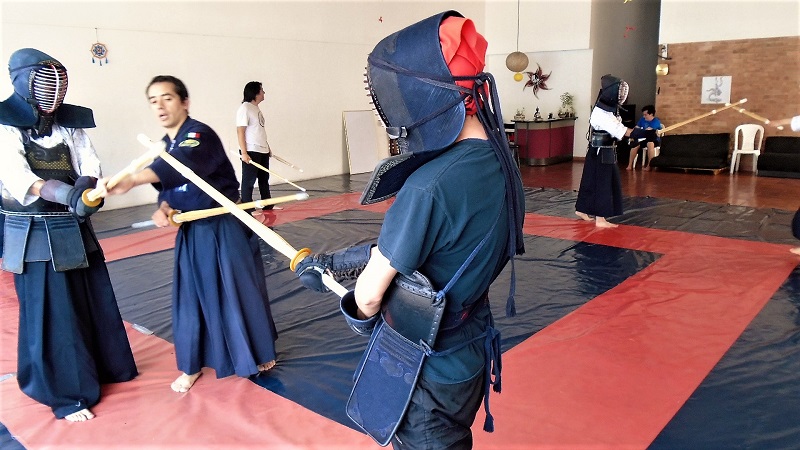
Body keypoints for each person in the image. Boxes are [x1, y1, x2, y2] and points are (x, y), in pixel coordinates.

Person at [294, 11, 525, 449]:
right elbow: (433, 245)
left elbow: (368, 295)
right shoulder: (499, 158)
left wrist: (357, 308)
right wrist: (334, 263)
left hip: (427, 367)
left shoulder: (428, 187)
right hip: (469, 352)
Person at [97, 75, 278, 392]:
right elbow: (167, 185)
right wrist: (163, 207)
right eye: (154, 101)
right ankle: (192, 364)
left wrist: (131, 181)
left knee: (240, 291)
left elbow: (182, 166)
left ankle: (259, 351)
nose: (160, 106)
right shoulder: (166, 147)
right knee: (189, 299)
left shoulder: (198, 135)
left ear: (184, 102)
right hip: (193, 232)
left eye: (167, 97)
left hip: (224, 227)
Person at [0, 48, 137, 422]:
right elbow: (20, 179)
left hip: (73, 225)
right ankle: (67, 393)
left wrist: (86, 189)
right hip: (33, 232)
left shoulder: (69, 122)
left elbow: (87, 162)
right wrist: (67, 195)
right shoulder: (5, 124)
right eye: (45, 82)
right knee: (54, 312)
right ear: (24, 83)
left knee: (92, 299)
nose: (54, 91)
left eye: (58, 82)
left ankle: (105, 368)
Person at [575, 74, 654, 228]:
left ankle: (582, 210)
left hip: (600, 150)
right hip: (602, 152)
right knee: (604, 183)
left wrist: (644, 133)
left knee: (590, 181)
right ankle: (600, 219)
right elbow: (626, 132)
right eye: (619, 92)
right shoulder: (603, 115)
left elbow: (621, 130)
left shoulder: (606, 110)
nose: (622, 95)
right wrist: (647, 133)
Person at [236, 81, 278, 211]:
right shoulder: (245, 108)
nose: (264, 92)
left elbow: (258, 131)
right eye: (262, 90)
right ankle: (247, 209)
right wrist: (244, 153)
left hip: (262, 150)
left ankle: (268, 204)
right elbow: (240, 131)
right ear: (255, 93)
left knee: (264, 179)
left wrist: (267, 147)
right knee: (249, 181)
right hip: (251, 150)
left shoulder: (255, 108)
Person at [625, 104, 663, 171]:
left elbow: (650, 131)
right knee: (635, 145)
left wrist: (641, 130)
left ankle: (649, 165)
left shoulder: (656, 121)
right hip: (644, 139)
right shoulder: (642, 120)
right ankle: (630, 165)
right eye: (643, 115)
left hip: (654, 140)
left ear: (651, 114)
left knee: (650, 144)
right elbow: (636, 128)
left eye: (645, 115)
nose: (644, 116)